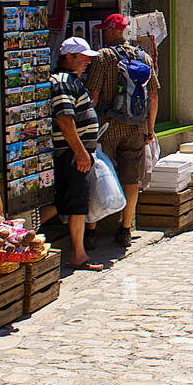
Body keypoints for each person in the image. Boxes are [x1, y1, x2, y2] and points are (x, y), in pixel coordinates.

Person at [83, 13, 159, 250]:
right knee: (130, 178)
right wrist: (150, 129)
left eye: (106, 29)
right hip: (136, 126)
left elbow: (93, 97)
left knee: (98, 175)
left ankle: (91, 231)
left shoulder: (103, 58)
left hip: (107, 127)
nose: (104, 32)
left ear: (113, 31)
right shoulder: (143, 57)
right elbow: (154, 95)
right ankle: (125, 229)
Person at [51, 37, 103, 271]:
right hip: (70, 154)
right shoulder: (62, 82)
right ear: (68, 58)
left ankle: (25, 231)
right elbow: (64, 118)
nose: (87, 63)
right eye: (82, 58)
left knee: (67, 202)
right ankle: (78, 255)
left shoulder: (72, 81)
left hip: (75, 154)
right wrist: (80, 152)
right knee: (74, 204)